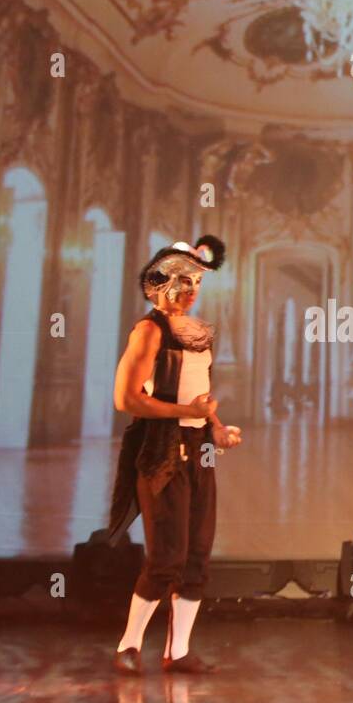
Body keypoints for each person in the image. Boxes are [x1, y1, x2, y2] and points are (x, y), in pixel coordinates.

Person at [106, 235, 243, 675]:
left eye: (197, 282)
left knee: (197, 554)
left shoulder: (197, 333)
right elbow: (125, 399)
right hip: (161, 452)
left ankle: (178, 651)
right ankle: (129, 645)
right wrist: (188, 412)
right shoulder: (148, 331)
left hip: (199, 450)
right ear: (158, 282)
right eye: (182, 281)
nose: (191, 290)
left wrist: (217, 429)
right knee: (166, 555)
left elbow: (201, 398)